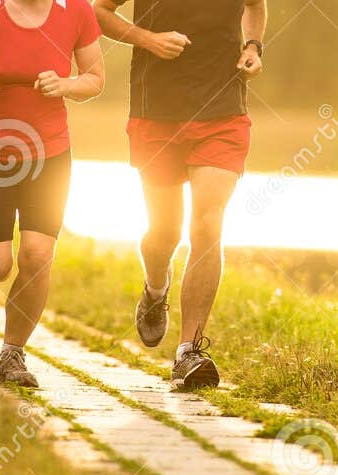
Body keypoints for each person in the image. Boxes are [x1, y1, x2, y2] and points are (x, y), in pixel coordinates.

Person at [93, 0, 266, 391]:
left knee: (207, 223)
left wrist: (253, 47)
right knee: (164, 234)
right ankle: (156, 285)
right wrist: (148, 39)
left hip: (222, 111)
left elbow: (256, 6)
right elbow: (98, 12)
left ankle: (189, 350)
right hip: (156, 112)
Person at [0, 0, 105, 387]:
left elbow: (95, 77)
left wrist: (65, 85)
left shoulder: (76, 10)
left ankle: (13, 352)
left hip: (50, 154)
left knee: (37, 254)